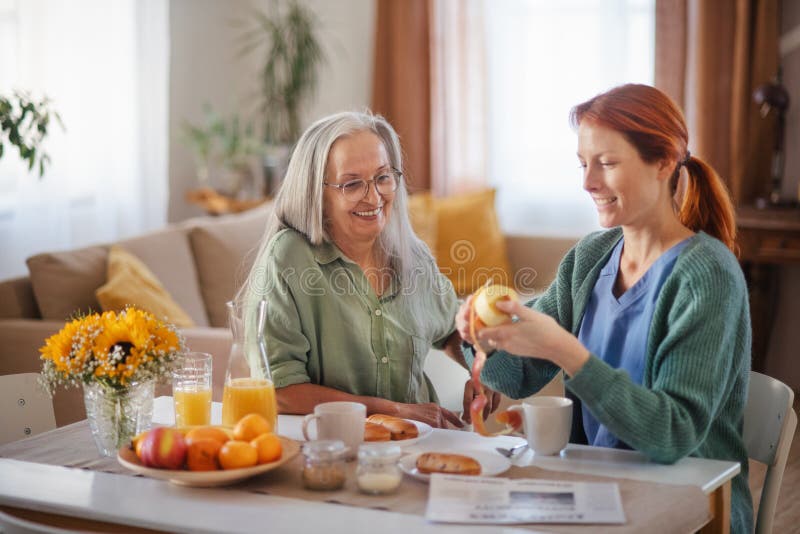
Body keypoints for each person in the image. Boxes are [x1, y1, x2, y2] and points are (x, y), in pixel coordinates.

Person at [456, 84, 752, 532]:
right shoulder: (590, 257)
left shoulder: (707, 275)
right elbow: (516, 376)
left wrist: (567, 352)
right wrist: (481, 334)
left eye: (607, 163)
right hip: (597, 492)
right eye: (583, 164)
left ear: (664, 162)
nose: (588, 182)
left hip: (695, 506)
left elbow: (673, 435)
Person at [238, 110, 498, 428]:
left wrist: (481, 369)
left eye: (383, 177)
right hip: (330, 446)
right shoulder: (289, 259)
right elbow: (279, 390)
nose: (373, 196)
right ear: (316, 194)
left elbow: (452, 328)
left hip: (421, 443)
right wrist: (390, 410)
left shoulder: (411, 254)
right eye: (351, 184)